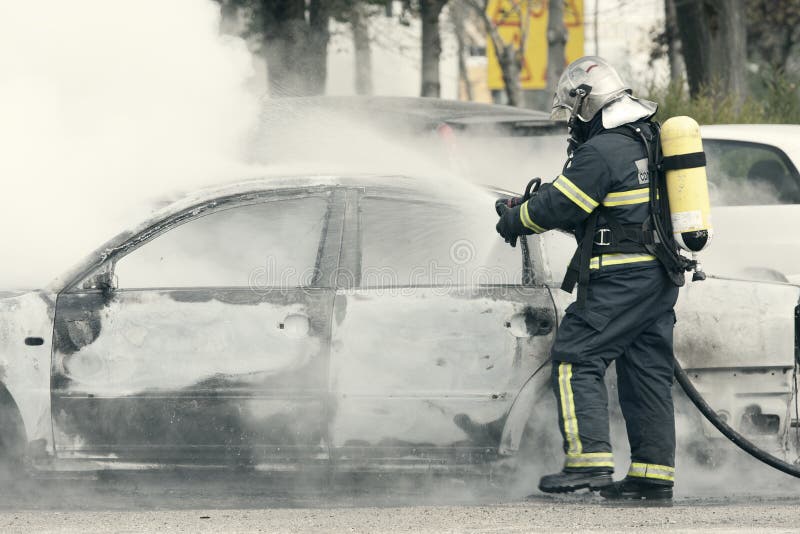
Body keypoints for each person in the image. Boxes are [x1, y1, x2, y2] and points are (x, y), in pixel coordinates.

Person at [495, 56, 681, 501]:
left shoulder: (602, 150)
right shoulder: (647, 138)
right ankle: (652, 475)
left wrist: (515, 218)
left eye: (574, 112)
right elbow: (597, 209)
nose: (573, 123)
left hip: (620, 277)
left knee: (578, 356)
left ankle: (588, 462)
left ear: (586, 102)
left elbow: (560, 205)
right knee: (646, 370)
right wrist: (539, 205)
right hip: (658, 276)